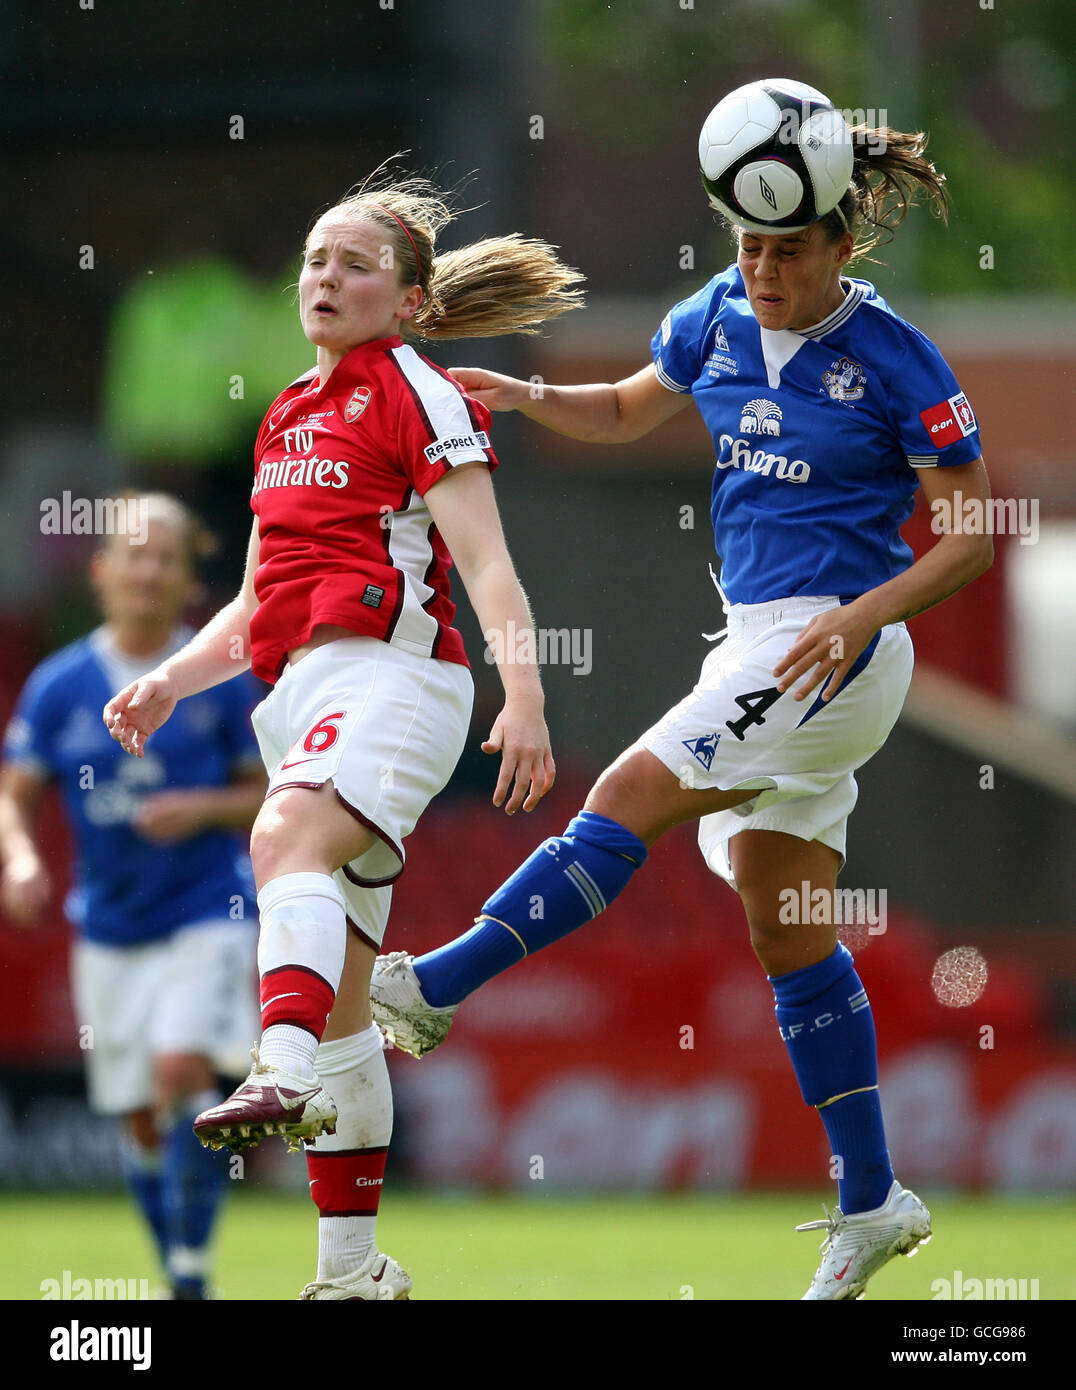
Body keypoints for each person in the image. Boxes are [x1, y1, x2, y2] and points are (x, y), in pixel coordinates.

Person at [368, 105, 994, 1300]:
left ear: (839, 243)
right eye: (749, 248)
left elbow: (967, 532)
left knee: (627, 792)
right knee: (783, 925)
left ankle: (434, 987)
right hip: (751, 645)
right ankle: (872, 1201)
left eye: (789, 251)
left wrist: (865, 614)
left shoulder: (894, 356)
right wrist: (521, 391)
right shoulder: (713, 313)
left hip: (837, 648)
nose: (762, 271)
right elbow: (620, 409)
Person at [103, 171, 583, 1300]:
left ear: (410, 300)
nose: (324, 276)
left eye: (354, 263)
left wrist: (527, 694)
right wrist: (172, 678)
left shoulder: (420, 391)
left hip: (398, 678)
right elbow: (259, 601)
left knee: (282, 843)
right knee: (347, 1000)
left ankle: (274, 1068)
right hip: (305, 691)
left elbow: (486, 563)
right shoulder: (282, 412)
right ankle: (352, 1269)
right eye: (316, 259)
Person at [0, 495, 265, 1299]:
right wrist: (17, 860)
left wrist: (201, 809)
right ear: (102, 570)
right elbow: (16, 796)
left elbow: (274, 799)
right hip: (109, 926)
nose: (148, 571)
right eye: (135, 554)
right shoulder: (60, 685)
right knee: (140, 1119)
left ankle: (190, 1277)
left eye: (167, 558)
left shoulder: (219, 682)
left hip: (207, 910)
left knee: (181, 1073)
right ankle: (183, 1266)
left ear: (190, 580)